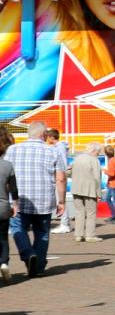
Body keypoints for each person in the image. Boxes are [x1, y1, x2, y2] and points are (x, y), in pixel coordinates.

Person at [7, 122, 67, 278]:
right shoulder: (53, 151)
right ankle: (39, 266)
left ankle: (28, 254)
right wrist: (62, 201)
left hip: (19, 200)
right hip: (44, 200)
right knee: (42, 233)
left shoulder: (13, 150)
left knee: (18, 229)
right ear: (44, 135)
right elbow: (60, 179)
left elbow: (5, 173)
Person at [70, 143, 103, 243]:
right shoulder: (94, 160)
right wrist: (99, 193)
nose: (98, 154)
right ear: (94, 151)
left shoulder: (77, 158)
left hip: (76, 188)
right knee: (91, 213)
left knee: (79, 212)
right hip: (90, 190)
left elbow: (69, 172)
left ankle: (78, 235)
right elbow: (97, 177)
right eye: (98, 152)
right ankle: (90, 235)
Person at [0, 129, 20, 285]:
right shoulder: (7, 165)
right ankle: (4, 262)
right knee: (3, 238)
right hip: (3, 207)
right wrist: (15, 205)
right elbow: (13, 188)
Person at [46, 128, 73, 234]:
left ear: (52, 137)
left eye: (48, 137)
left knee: (60, 200)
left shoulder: (59, 147)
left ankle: (64, 224)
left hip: (59, 175)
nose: (47, 139)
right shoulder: (59, 146)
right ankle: (64, 222)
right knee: (60, 199)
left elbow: (63, 161)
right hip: (59, 175)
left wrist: (63, 172)